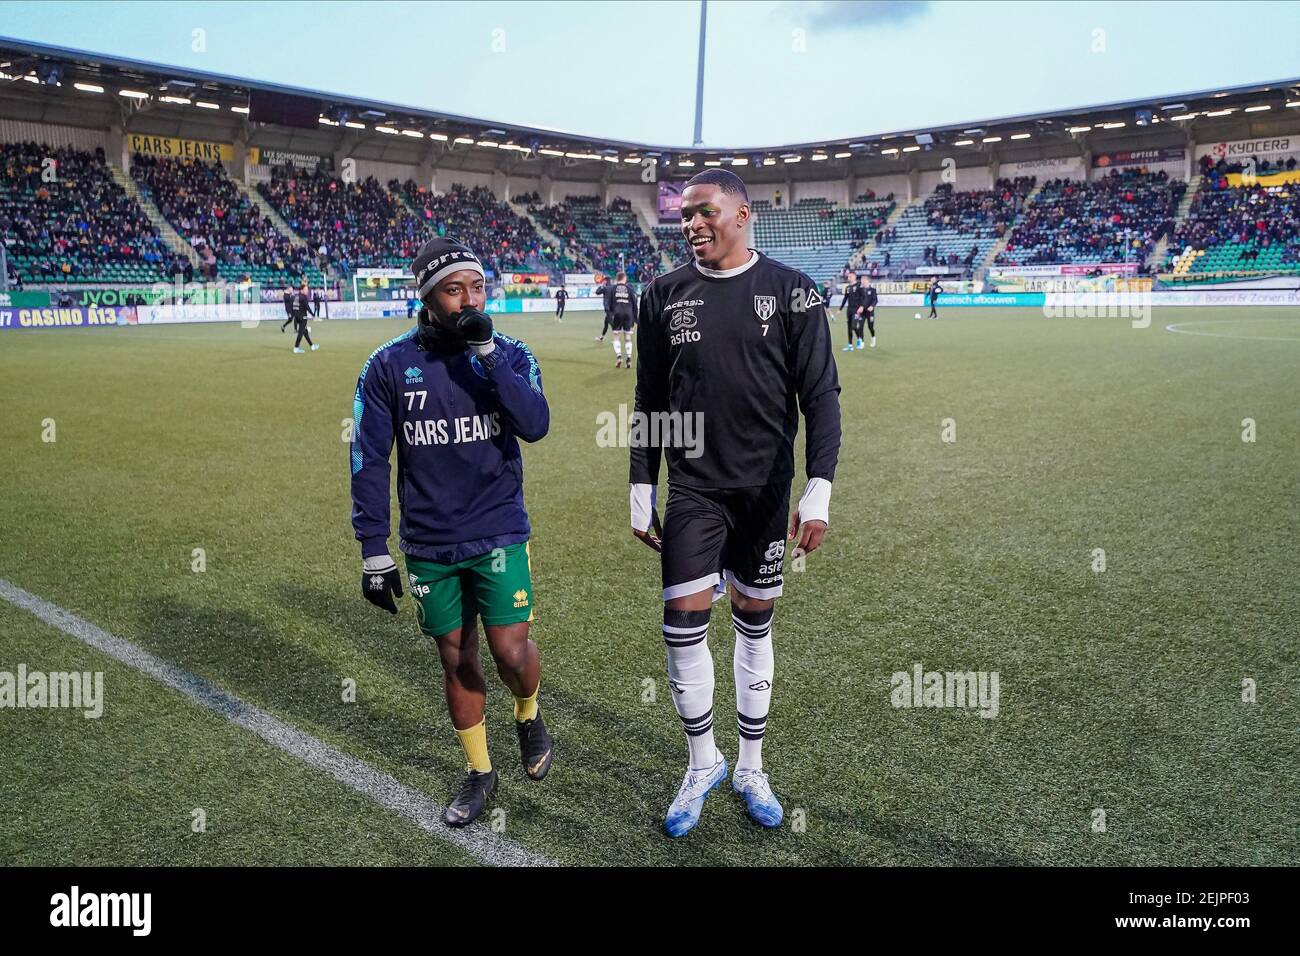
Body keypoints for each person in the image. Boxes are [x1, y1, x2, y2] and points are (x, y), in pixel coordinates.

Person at [629, 168, 841, 837]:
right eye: (683, 215)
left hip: (764, 492)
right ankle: (703, 762)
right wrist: (641, 482)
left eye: (703, 211)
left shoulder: (792, 293)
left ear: (743, 214)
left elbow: (821, 397)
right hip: (693, 488)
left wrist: (819, 486)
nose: (690, 223)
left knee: (754, 619)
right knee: (682, 625)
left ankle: (751, 765)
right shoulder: (663, 296)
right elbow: (650, 400)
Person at [350, 236, 553, 827]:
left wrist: (488, 356)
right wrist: (372, 549)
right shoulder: (387, 365)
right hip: (430, 542)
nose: (469, 299)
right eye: (453, 289)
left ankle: (528, 712)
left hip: (496, 528)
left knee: (509, 649)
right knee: (457, 657)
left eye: (477, 286)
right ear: (429, 298)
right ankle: (480, 771)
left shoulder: (511, 353)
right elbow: (369, 457)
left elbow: (535, 424)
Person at [610, 271, 638, 368]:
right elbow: (635, 304)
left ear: (617, 278)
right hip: (628, 314)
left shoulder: (612, 289)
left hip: (617, 313)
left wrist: (611, 315)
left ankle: (619, 356)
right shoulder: (629, 289)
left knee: (616, 336)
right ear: (624, 278)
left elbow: (609, 303)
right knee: (627, 337)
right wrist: (635, 319)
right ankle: (629, 359)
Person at [286, 280, 318, 352]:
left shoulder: (296, 296)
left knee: (305, 332)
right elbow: (307, 307)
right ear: (301, 290)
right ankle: (296, 348)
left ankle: (312, 346)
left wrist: (293, 314)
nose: (307, 291)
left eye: (307, 289)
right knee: (301, 332)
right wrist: (313, 314)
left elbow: (293, 306)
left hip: (297, 317)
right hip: (303, 317)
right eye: (306, 289)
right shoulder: (304, 297)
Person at [840, 272, 867, 352]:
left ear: (854, 277)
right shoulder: (848, 287)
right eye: (848, 277)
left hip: (856, 309)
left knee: (854, 326)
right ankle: (850, 346)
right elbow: (845, 298)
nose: (849, 278)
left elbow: (864, 297)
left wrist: (862, 306)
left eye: (850, 276)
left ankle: (859, 339)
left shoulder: (859, 285)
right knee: (849, 328)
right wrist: (840, 308)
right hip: (849, 309)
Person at [594, 274, 615, 342]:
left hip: (608, 308)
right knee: (606, 323)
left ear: (605, 281)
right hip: (613, 308)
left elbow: (597, 292)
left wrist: (601, 285)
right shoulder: (613, 287)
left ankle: (616, 339)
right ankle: (601, 337)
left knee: (611, 323)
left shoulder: (605, 288)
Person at [863, 279, 879, 348]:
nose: (864, 283)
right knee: (859, 327)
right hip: (862, 312)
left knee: (870, 327)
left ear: (868, 282)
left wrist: (872, 306)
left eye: (865, 282)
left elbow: (875, 300)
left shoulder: (873, 290)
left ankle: (873, 338)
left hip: (870, 312)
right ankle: (861, 342)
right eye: (863, 282)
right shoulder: (860, 290)